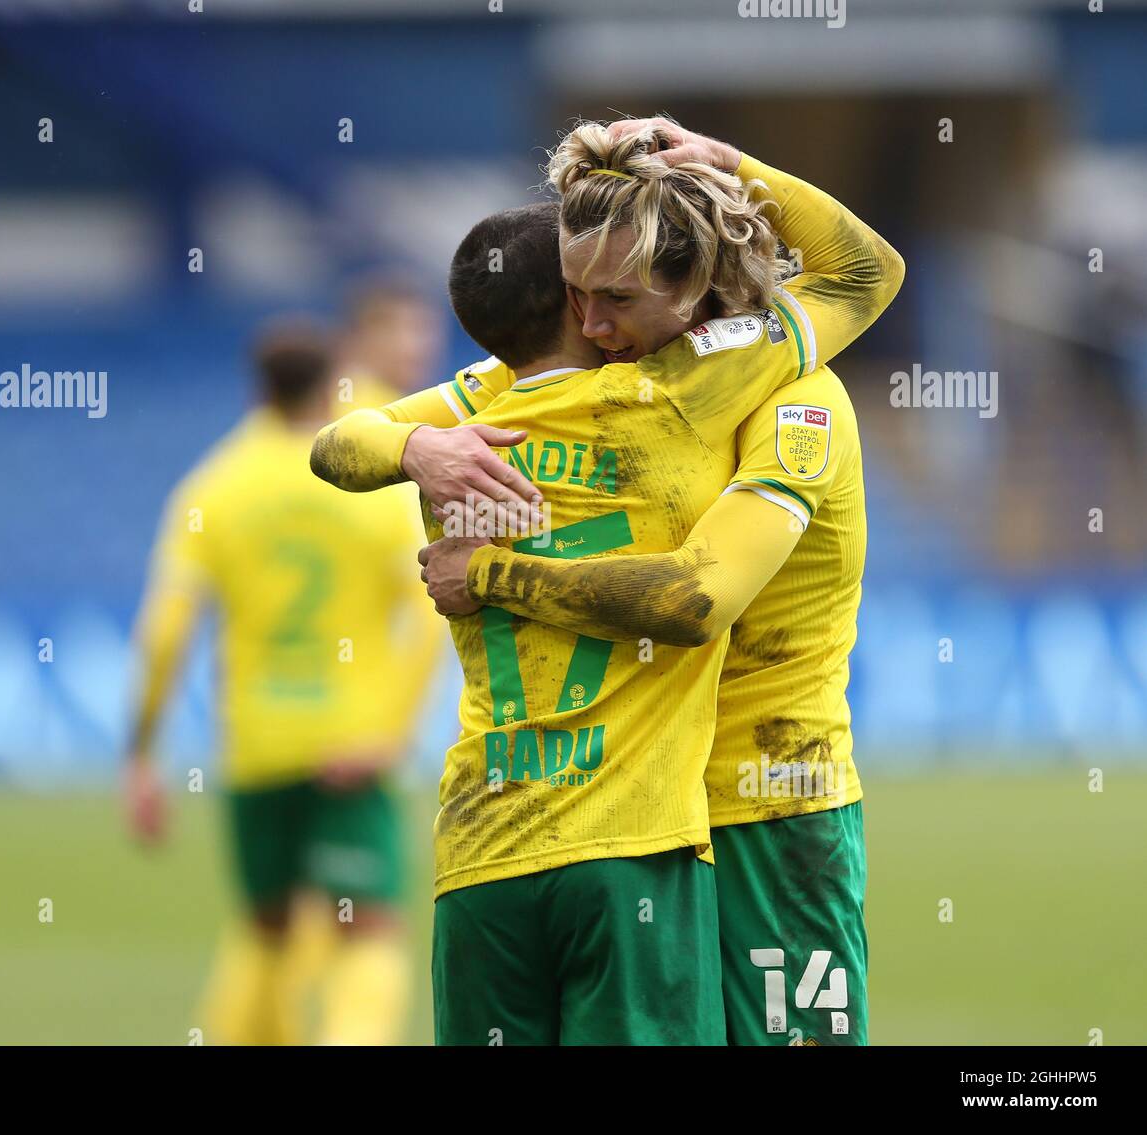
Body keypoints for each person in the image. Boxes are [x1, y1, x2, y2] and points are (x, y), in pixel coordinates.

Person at [312, 120, 902, 1044]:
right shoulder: (582, 380)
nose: (589, 324)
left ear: (693, 283)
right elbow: (344, 440)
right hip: (656, 815)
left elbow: (697, 599)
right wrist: (419, 445)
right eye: (576, 295)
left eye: (616, 298)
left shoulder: (788, 389)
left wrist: (734, 163)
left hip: (769, 798)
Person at [124, 323, 437, 1045]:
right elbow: (424, 614)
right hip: (350, 739)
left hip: (257, 744)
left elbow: (166, 630)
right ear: (333, 386)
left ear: (255, 388)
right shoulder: (369, 479)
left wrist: (140, 752)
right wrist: (389, 732)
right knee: (368, 929)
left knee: (266, 932)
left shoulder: (215, 484)